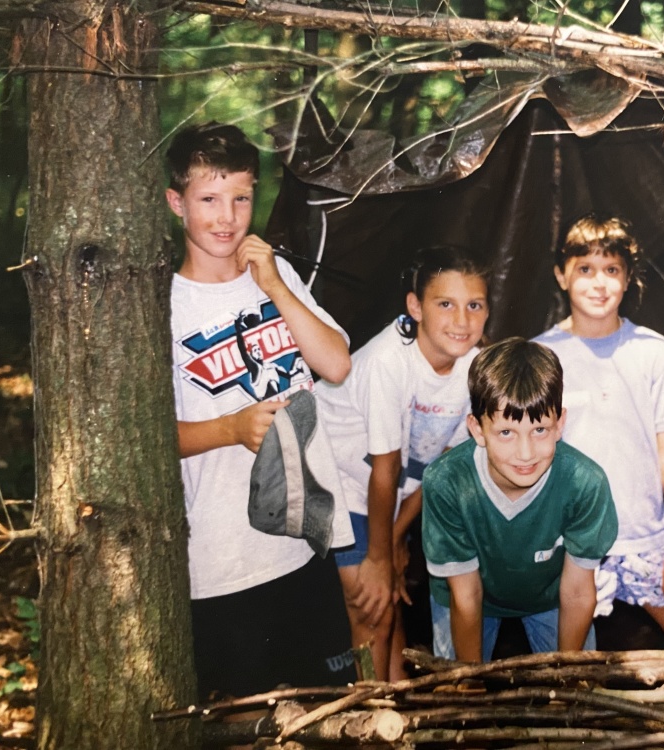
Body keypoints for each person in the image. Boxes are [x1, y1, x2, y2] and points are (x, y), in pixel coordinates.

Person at [166, 122, 355, 698]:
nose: (227, 217)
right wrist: (230, 428)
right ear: (177, 202)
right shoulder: (166, 304)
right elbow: (146, 438)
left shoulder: (274, 277)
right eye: (209, 199)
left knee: (330, 710)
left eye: (241, 198)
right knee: (244, 719)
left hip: (303, 541)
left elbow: (337, 363)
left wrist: (273, 283)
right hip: (222, 560)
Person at [316, 245, 490, 680]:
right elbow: (385, 469)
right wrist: (379, 557)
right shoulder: (388, 361)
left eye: (475, 306)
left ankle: (397, 711)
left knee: (388, 607)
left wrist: (395, 538)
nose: (461, 320)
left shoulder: (475, 368)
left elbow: (438, 467)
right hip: (340, 486)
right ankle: (372, 717)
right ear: (415, 306)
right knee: (372, 609)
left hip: (392, 497)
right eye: (445, 304)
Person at [535, 215, 664, 651]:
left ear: (627, 279)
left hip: (645, 540)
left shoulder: (653, 352)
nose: (598, 284)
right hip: (567, 546)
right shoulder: (539, 356)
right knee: (565, 672)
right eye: (585, 269)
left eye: (611, 270)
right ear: (561, 274)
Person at [422, 338, 619, 662]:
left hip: (551, 596)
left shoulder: (585, 483)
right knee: (457, 693)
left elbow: (578, 591)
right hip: (467, 599)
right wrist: (469, 683)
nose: (525, 453)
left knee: (579, 690)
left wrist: (567, 679)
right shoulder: (446, 482)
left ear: (560, 424)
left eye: (540, 430)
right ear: (477, 429)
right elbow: (466, 596)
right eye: (506, 433)